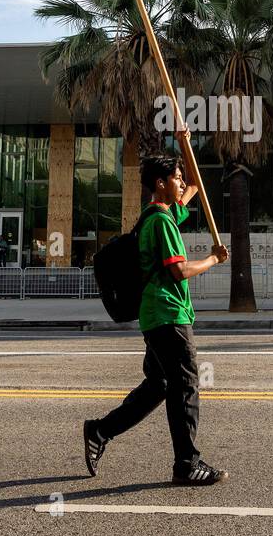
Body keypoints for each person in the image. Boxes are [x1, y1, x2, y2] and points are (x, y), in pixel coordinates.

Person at [83, 154, 230, 485]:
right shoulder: (161, 222)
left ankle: (100, 430)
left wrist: (184, 143)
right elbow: (178, 271)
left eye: (179, 176)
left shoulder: (162, 214)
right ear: (161, 184)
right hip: (167, 314)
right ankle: (187, 464)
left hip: (157, 315)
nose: (181, 182)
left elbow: (195, 185)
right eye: (175, 178)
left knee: (160, 384)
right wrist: (212, 259)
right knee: (186, 384)